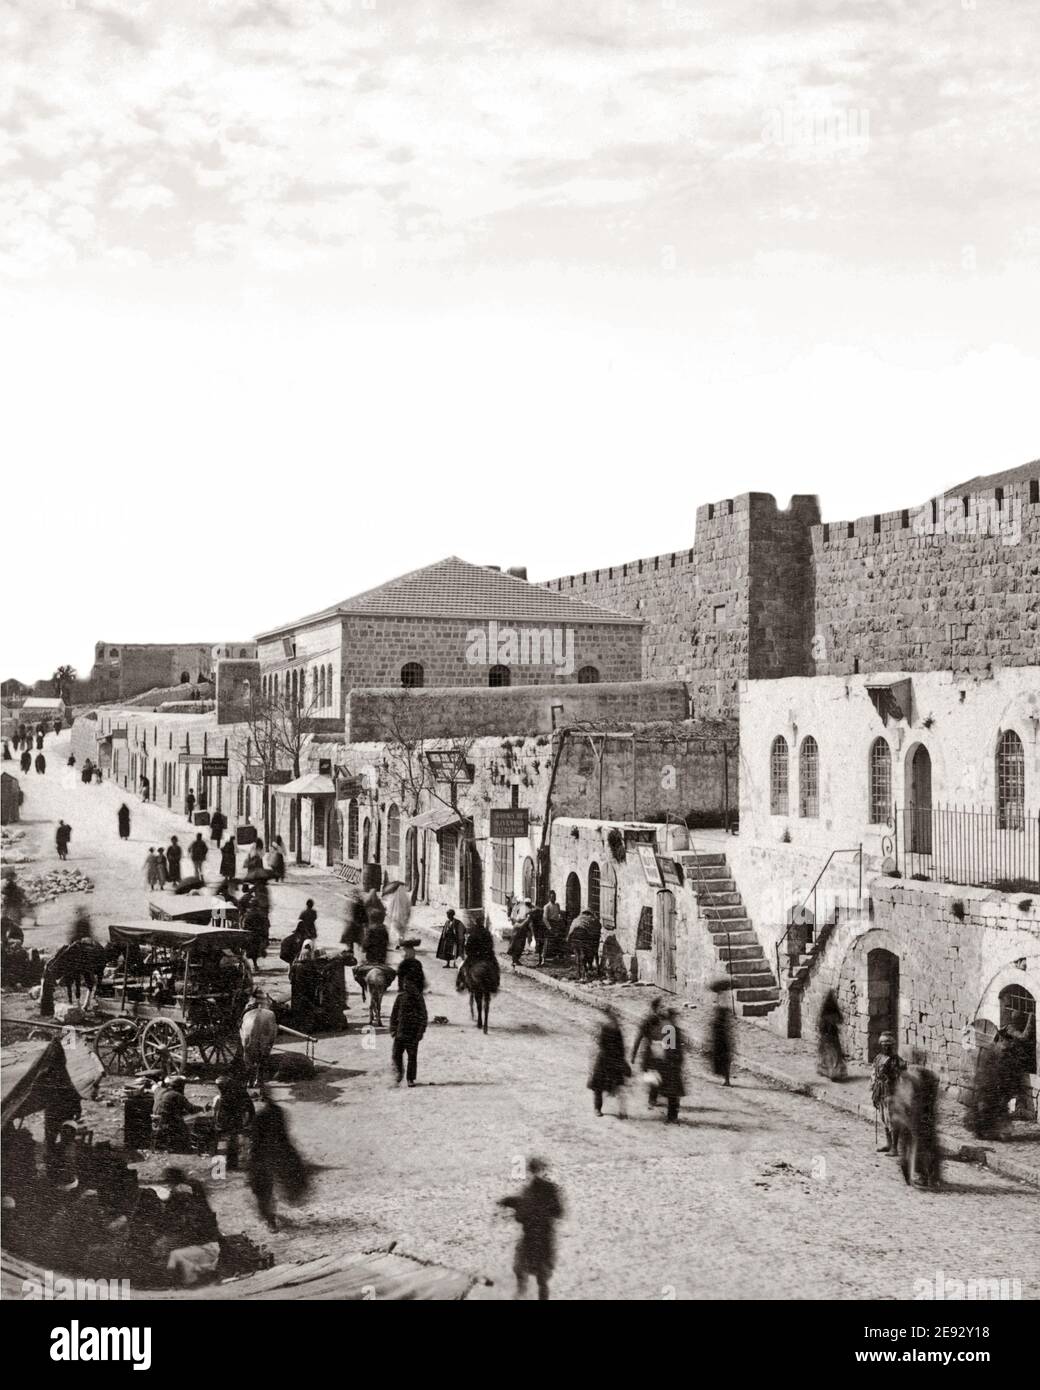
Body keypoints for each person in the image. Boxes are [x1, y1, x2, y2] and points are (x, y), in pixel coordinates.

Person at [497, 1157, 564, 1301]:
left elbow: (556, 1211)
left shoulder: (541, 1189)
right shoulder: (537, 1189)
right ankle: (522, 1292)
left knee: (533, 1273)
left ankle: (522, 1292)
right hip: (539, 1237)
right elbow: (526, 1210)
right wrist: (511, 1202)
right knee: (533, 1273)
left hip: (539, 1238)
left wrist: (517, 1206)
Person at [248, 1089, 310, 1231]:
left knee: (263, 1189)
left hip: (265, 1155)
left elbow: (256, 1140)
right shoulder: (278, 1111)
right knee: (268, 1188)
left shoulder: (261, 1115)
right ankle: (270, 1217)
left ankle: (270, 1219)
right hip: (278, 1152)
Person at [588, 1006, 630, 1117]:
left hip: (611, 1059)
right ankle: (598, 1109)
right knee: (600, 1087)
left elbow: (620, 1047)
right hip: (606, 1059)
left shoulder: (614, 1029)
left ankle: (621, 1111)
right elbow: (602, 1045)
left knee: (614, 1086)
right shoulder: (608, 1028)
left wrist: (622, 1061)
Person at [871, 1031, 907, 1154]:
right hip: (880, 1091)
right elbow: (873, 1074)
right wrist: (873, 1088)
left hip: (892, 1093)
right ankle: (888, 1144)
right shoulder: (878, 1058)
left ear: (893, 1046)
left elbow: (901, 1078)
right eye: (884, 1044)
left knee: (892, 1119)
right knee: (884, 1118)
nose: (886, 1047)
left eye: (889, 1045)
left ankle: (895, 1148)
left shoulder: (897, 1061)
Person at [212, 1071, 255, 1171]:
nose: (220, 1089)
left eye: (221, 1087)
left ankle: (226, 1167)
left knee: (230, 1141)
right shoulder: (227, 1093)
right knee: (229, 1141)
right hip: (230, 1119)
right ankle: (225, 1167)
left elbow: (249, 1107)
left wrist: (248, 1120)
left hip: (233, 1119)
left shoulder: (236, 1093)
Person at [389, 978, 428, 1087]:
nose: (407, 986)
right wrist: (392, 1029)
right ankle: (399, 1073)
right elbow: (394, 1014)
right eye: (405, 985)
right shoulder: (400, 998)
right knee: (396, 1054)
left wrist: (421, 1032)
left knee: (412, 1056)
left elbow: (424, 1017)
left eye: (409, 985)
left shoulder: (419, 999)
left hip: (413, 1033)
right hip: (400, 1031)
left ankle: (410, 1079)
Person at [151, 1077, 202, 1152]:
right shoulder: (177, 1095)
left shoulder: (159, 1090)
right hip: (166, 1120)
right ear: (180, 1087)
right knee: (185, 1129)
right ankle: (182, 1148)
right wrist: (203, 1108)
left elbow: (154, 1087)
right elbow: (191, 1109)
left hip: (155, 1118)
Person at [631, 997, 665, 1108]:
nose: (662, 1009)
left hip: (657, 1051)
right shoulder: (649, 1021)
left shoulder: (660, 1019)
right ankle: (652, 1098)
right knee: (655, 1074)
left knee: (656, 1074)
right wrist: (633, 1054)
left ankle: (653, 1097)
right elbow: (639, 1037)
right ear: (656, 1008)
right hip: (651, 1052)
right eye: (661, 1007)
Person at [658, 1007, 687, 1124]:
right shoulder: (673, 1029)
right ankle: (673, 1116)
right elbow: (672, 1048)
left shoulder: (668, 1029)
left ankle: (671, 1116)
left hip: (670, 1064)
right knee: (674, 1093)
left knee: (672, 1093)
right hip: (673, 1064)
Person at [816, 990, 848, 1081]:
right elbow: (840, 1020)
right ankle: (834, 1073)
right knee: (834, 1054)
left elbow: (820, 1025)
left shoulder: (823, 1013)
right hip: (831, 1036)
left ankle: (831, 1072)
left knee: (829, 1055)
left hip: (827, 1036)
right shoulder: (833, 1011)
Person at [709, 996, 734, 1087]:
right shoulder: (721, 1021)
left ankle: (726, 1080)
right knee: (724, 1062)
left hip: (722, 1044)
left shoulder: (719, 1022)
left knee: (723, 1062)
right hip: (722, 1044)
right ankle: (726, 1079)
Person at [507, 898, 532, 970]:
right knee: (517, 945)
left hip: (520, 929)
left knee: (519, 945)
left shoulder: (523, 908)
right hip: (519, 930)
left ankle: (515, 960)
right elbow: (522, 922)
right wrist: (526, 920)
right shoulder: (524, 910)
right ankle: (514, 960)